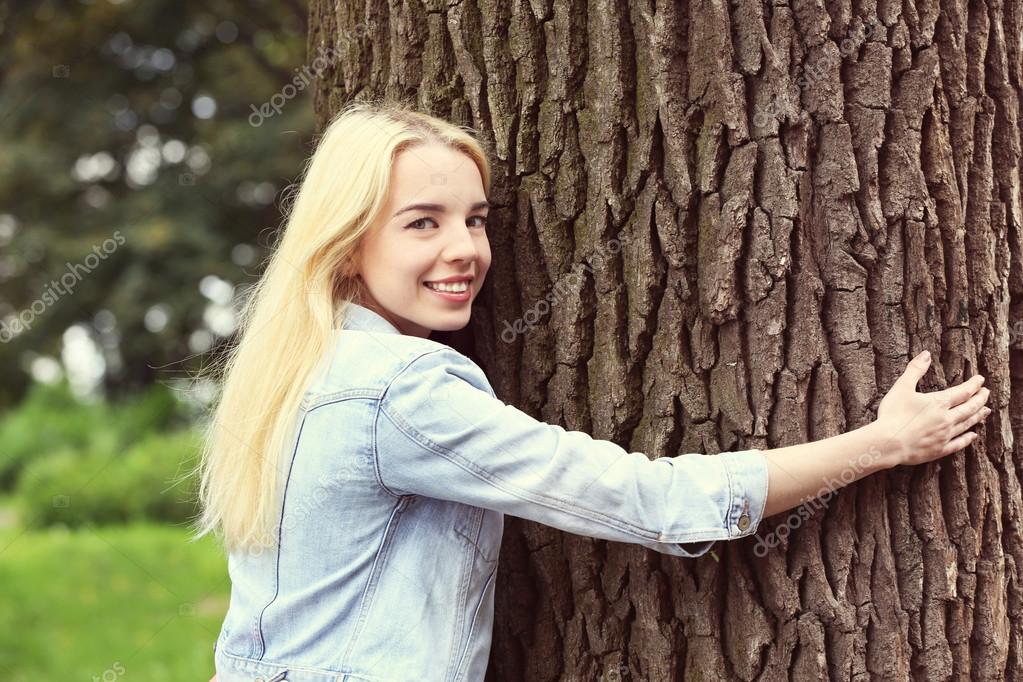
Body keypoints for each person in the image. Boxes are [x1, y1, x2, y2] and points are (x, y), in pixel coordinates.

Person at [197, 100, 991, 682]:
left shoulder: (297, 367)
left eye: (473, 220)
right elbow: (648, 500)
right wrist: (878, 445)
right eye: (421, 223)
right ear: (344, 246)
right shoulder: (399, 390)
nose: (464, 249)